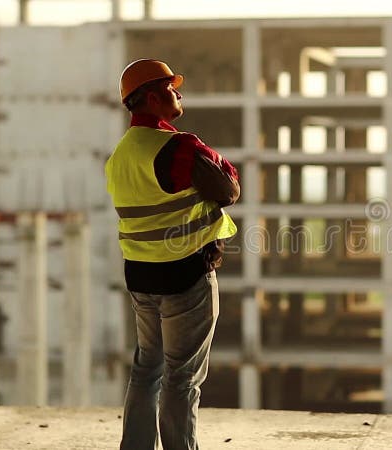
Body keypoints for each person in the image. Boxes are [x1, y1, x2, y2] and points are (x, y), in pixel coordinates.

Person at [105, 59, 240, 450]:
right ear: (151, 98)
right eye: (169, 87)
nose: (178, 93)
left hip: (140, 277)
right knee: (182, 378)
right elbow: (229, 188)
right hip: (186, 275)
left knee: (147, 369)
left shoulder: (119, 156)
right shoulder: (179, 147)